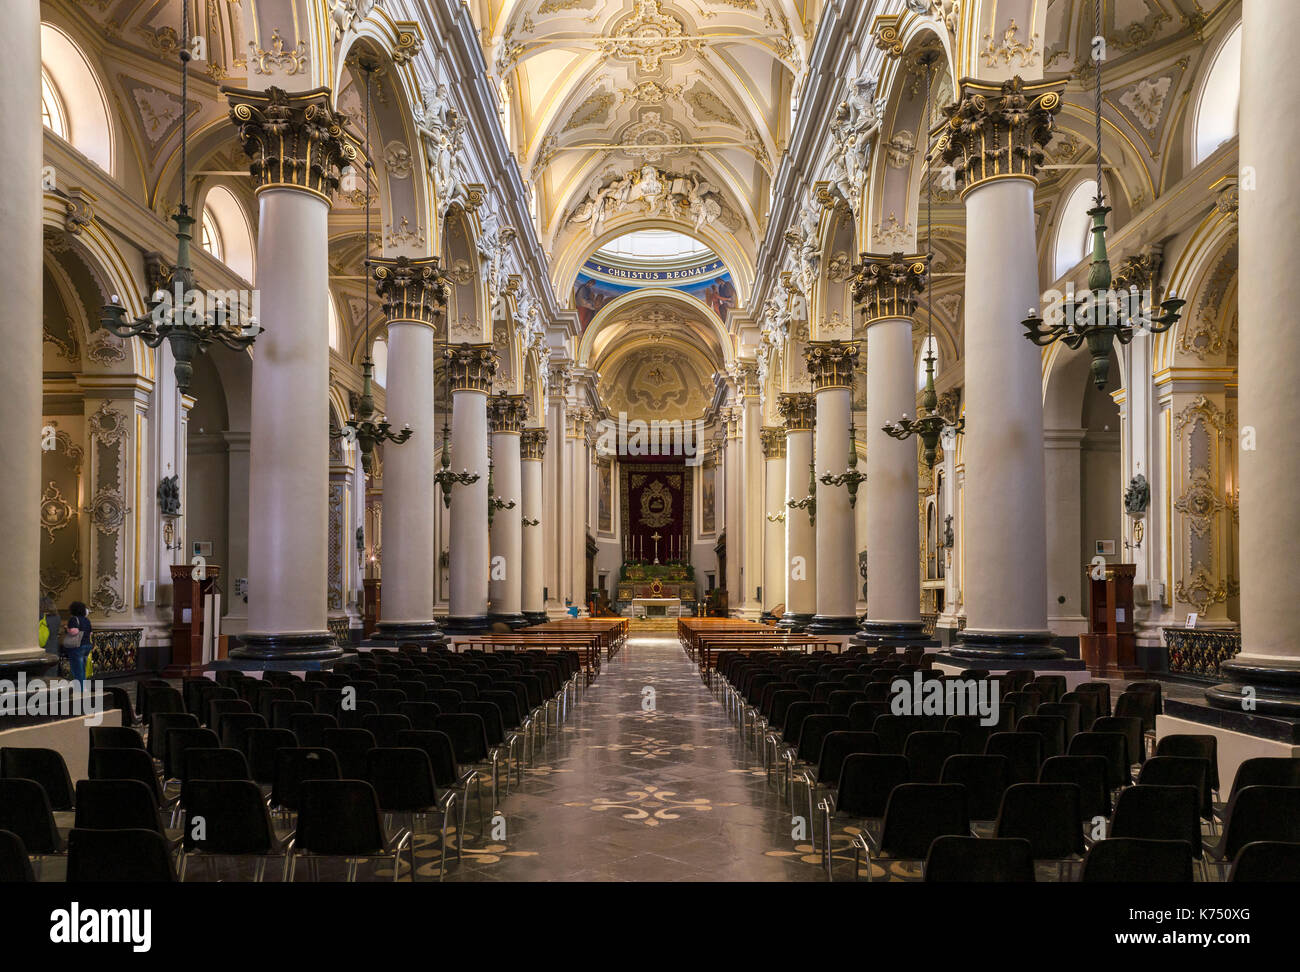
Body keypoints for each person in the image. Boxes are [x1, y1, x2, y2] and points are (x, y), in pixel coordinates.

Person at [64, 601, 92, 685]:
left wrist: (67, 629)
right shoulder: (87, 620)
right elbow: (90, 632)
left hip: (77, 646)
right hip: (87, 645)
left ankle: (80, 690)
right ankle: (83, 687)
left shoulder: (73, 619)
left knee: (77, 670)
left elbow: (74, 631)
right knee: (83, 669)